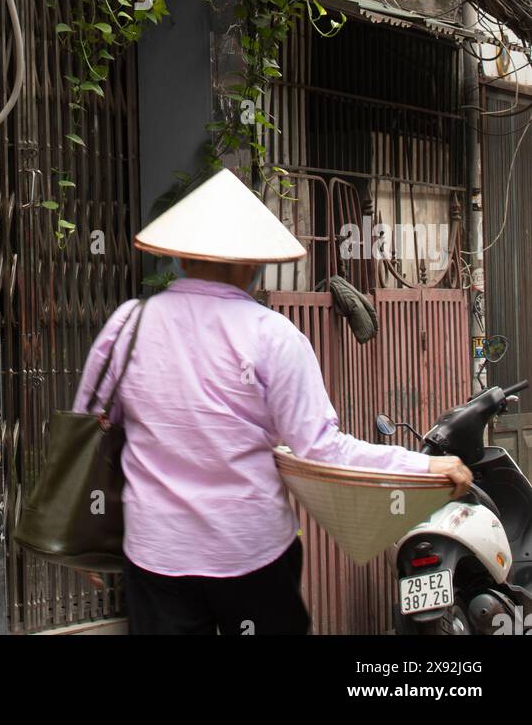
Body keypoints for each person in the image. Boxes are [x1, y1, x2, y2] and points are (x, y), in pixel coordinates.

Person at [73, 169, 473, 637]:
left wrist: (83, 534)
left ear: (180, 257)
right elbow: (322, 448)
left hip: (157, 554)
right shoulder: (274, 337)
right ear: (251, 262)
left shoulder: (128, 324)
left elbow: (90, 430)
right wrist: (423, 467)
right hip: (252, 553)